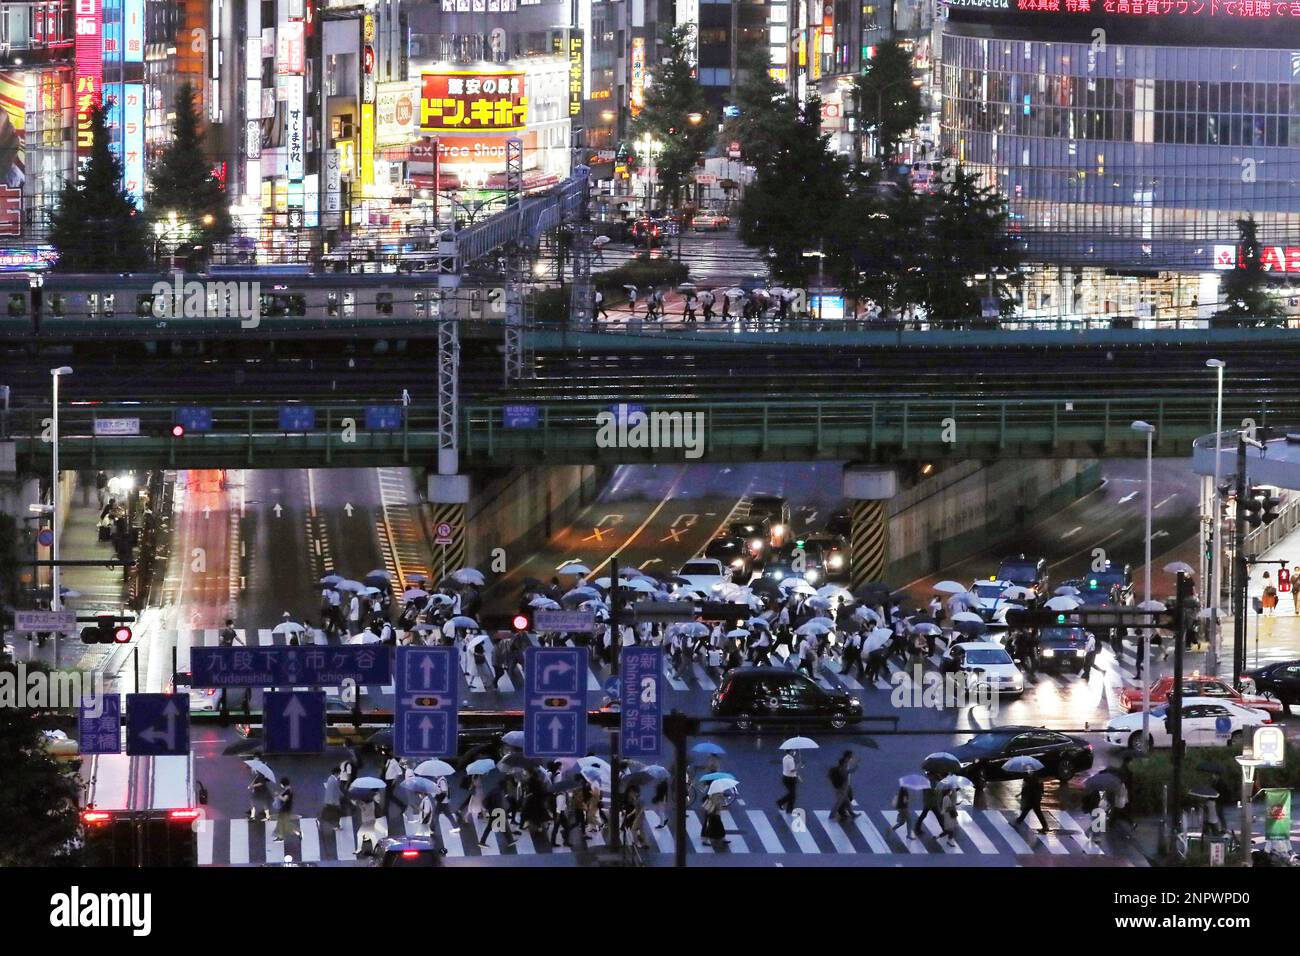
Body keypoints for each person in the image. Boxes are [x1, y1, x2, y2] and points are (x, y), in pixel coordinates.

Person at [829, 751, 858, 822]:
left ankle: (851, 813)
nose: (851, 757)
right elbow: (845, 773)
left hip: (843, 785)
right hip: (843, 785)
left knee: (847, 800)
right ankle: (832, 815)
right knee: (839, 801)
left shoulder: (844, 762)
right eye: (850, 756)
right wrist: (855, 767)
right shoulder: (844, 763)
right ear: (848, 757)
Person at [273, 777, 299, 842]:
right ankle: (280, 836)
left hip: (285, 809)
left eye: (281, 784)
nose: (280, 785)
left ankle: (298, 832)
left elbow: (284, 799)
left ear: (283, 784)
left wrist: (278, 795)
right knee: (281, 822)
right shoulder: (287, 790)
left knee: (285, 823)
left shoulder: (288, 791)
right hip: (284, 808)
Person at [776, 748, 801, 814]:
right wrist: (799, 766)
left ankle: (788, 808)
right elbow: (792, 770)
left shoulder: (785, 758)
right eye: (793, 750)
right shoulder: (790, 760)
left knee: (792, 794)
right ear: (790, 751)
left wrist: (797, 776)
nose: (794, 752)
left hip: (786, 778)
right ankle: (781, 802)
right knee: (792, 795)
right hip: (790, 779)